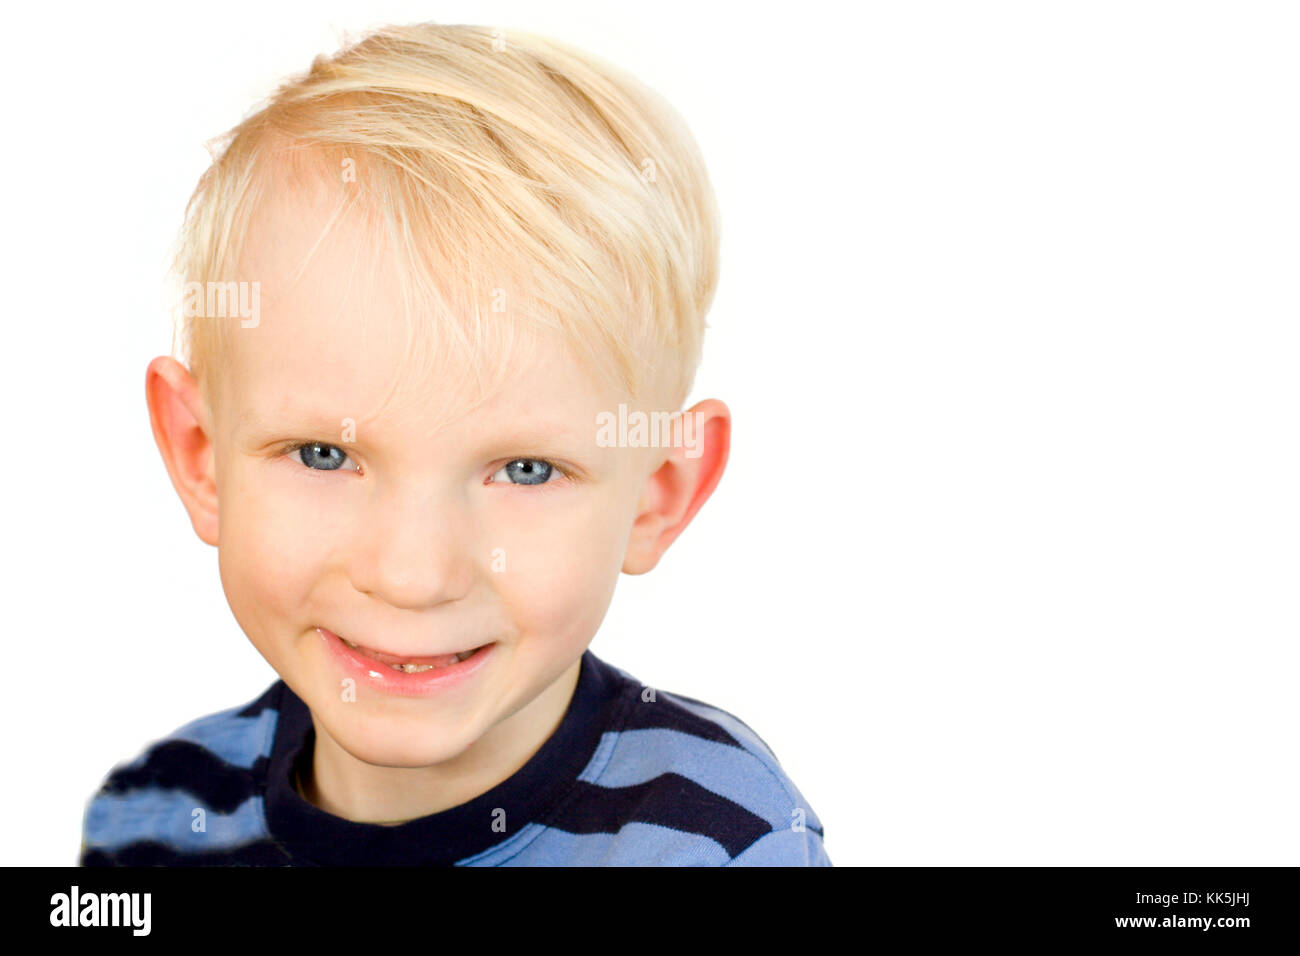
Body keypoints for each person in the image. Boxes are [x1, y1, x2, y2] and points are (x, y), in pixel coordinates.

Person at [79, 21, 830, 866]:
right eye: (324, 455)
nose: (412, 575)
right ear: (198, 455)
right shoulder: (156, 815)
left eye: (525, 470)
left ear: (658, 493)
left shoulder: (716, 839)